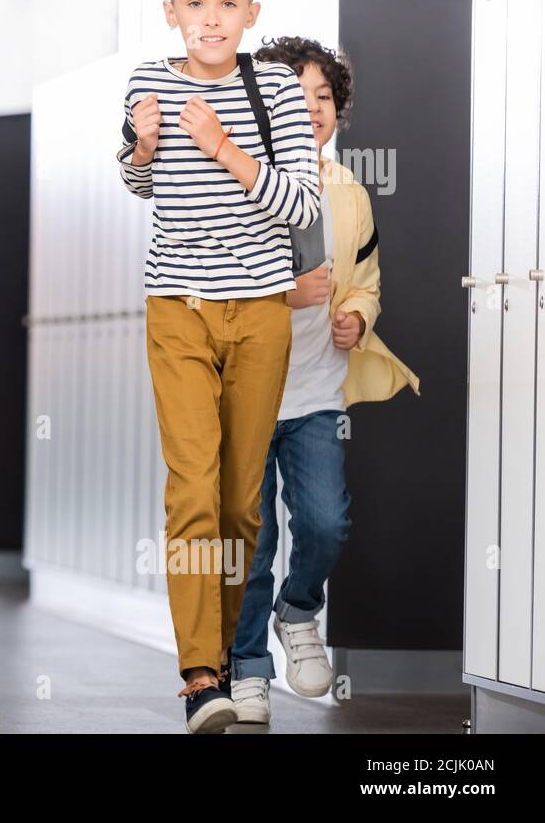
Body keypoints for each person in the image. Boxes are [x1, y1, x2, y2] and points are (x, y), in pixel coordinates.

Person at [116, 0, 321, 733]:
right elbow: (138, 181)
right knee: (193, 489)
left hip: (263, 309)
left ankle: (234, 656)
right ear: (170, 11)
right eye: (195, 2)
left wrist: (222, 147)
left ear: (251, 12)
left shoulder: (275, 90)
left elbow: (303, 207)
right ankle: (200, 673)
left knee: (242, 503)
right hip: (178, 307)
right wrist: (145, 142)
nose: (210, 18)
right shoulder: (144, 76)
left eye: (226, 3)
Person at [229, 37, 420, 724]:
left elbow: (365, 281)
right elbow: (216, 286)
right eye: (298, 95)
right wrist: (286, 293)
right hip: (246, 393)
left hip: (313, 393)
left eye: (325, 98)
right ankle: (246, 666)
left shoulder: (349, 191)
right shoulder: (240, 181)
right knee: (250, 540)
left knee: (325, 520)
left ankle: (299, 609)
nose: (313, 109)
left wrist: (357, 318)